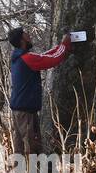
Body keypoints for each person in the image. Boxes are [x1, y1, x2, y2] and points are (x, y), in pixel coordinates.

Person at [5, 26, 71, 156]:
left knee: (20, 147)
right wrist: (64, 45)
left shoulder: (20, 57)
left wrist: (60, 48)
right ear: (22, 40)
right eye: (26, 34)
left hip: (19, 110)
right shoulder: (27, 58)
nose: (29, 36)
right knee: (31, 147)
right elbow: (52, 60)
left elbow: (44, 56)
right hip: (26, 112)